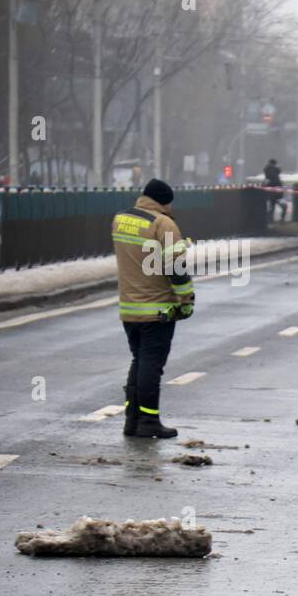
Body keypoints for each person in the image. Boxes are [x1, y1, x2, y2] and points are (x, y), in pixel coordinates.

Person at [111, 179, 194, 439]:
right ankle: (148, 421)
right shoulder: (163, 223)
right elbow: (175, 268)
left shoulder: (121, 219)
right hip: (158, 308)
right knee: (151, 365)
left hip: (129, 307)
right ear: (165, 202)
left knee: (139, 361)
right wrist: (186, 300)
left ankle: (132, 420)